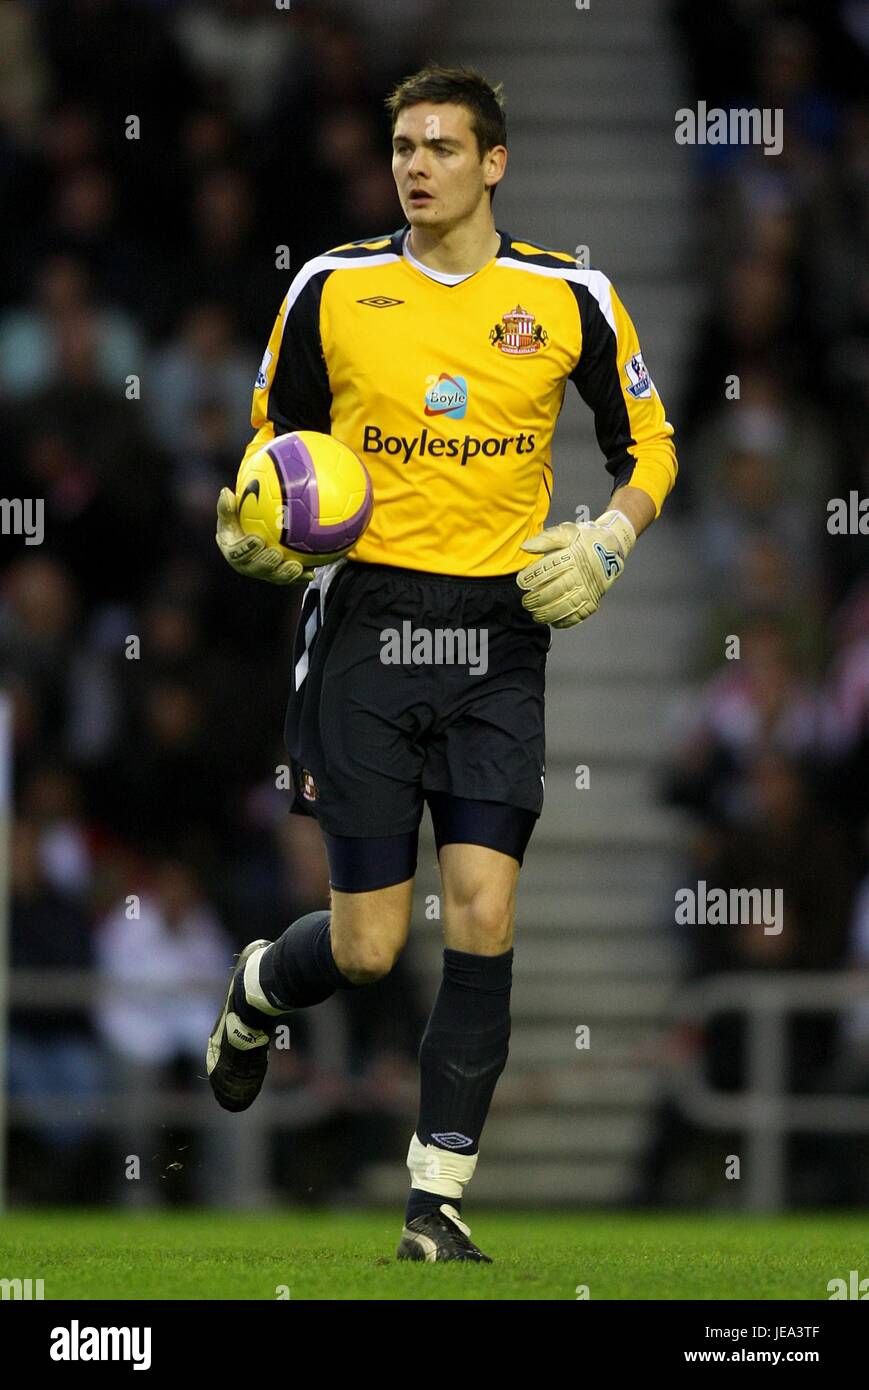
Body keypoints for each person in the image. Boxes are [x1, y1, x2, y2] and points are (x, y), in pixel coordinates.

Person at [208, 65, 678, 1262]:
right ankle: (261, 987)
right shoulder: (332, 286)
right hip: (364, 625)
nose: (415, 165)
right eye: (403, 146)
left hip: (498, 634)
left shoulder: (567, 295)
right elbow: (275, 441)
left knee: (482, 910)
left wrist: (610, 537)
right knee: (367, 947)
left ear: (493, 162)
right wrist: (257, 523)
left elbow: (650, 443)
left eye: (441, 147)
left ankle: (435, 1204)